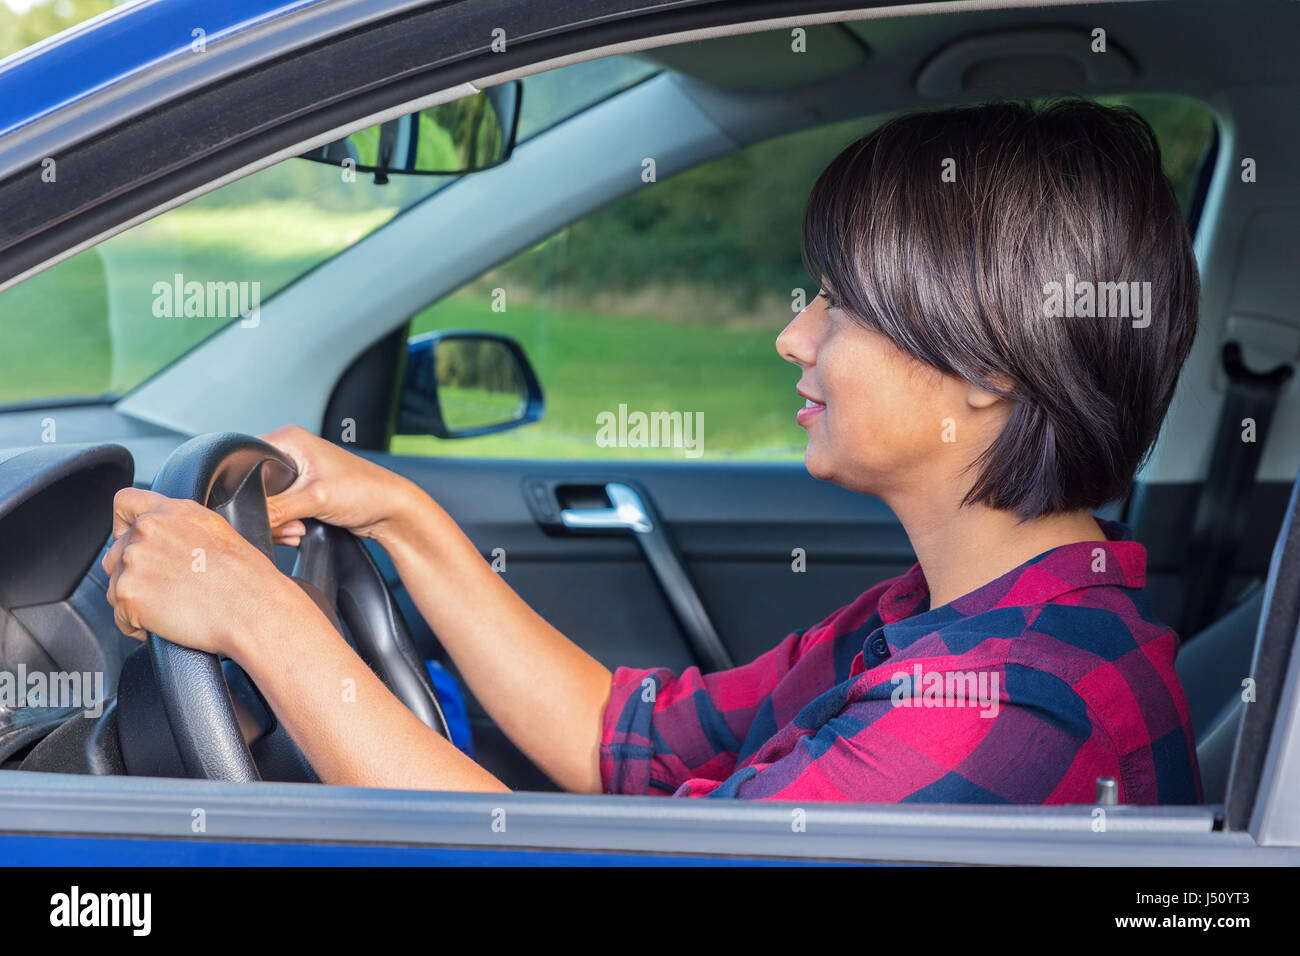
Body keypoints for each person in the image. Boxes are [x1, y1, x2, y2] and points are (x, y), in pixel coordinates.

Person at [102, 98, 1203, 804]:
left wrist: (262, 618)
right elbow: (619, 742)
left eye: (840, 304)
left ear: (986, 367)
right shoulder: (947, 620)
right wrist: (399, 514)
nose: (792, 335)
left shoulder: (1005, 707)